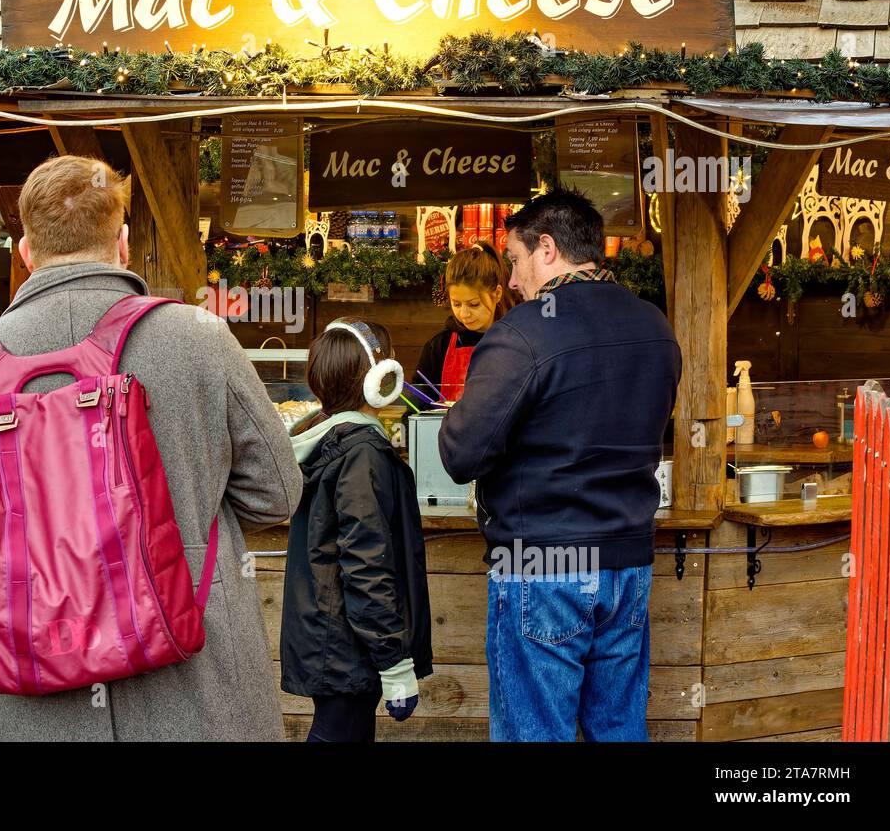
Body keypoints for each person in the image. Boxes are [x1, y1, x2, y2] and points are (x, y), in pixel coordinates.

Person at [0, 154, 303, 741]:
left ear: (25, 253)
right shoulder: (199, 338)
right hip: (197, 691)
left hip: (39, 707)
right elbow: (277, 493)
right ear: (122, 242)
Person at [438, 188, 681, 742]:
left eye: (517, 262)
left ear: (547, 248)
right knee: (617, 730)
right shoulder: (656, 328)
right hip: (628, 563)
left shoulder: (523, 333)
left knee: (534, 734)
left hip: (542, 565)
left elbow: (460, 453)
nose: (515, 282)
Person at [281, 318, 432, 742]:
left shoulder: (332, 444)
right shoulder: (362, 455)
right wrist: (395, 661)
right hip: (349, 649)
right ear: (376, 379)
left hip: (335, 644)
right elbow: (367, 566)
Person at [415, 241, 519, 402]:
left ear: (497, 294)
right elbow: (417, 403)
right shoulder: (438, 347)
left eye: (474, 304)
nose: (464, 313)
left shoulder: (518, 343)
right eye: (456, 304)